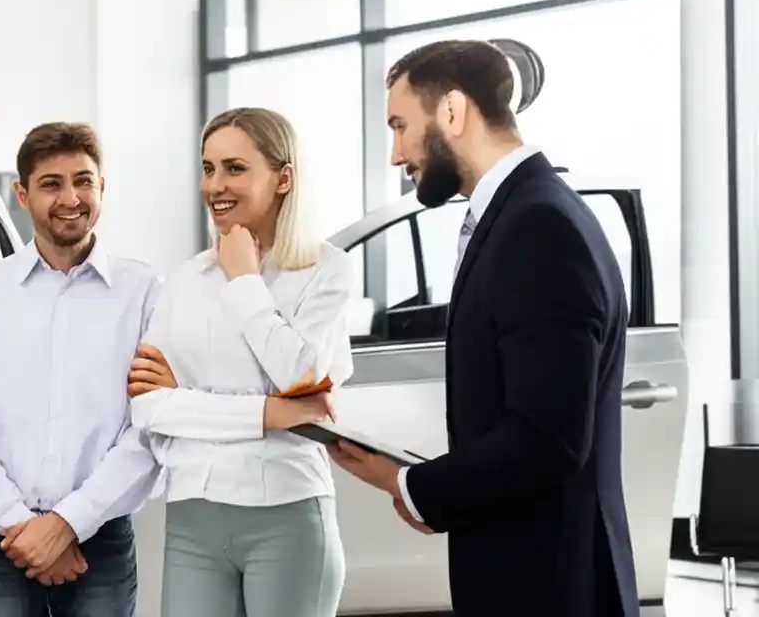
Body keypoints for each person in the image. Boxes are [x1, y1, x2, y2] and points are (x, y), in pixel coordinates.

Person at [328, 39, 638, 616]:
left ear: (452, 110)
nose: (395, 155)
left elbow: (548, 436)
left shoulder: (539, 225)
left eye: (400, 126)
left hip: (548, 586)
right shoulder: (523, 213)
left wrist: (412, 486)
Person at [0, 122, 162, 617]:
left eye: (83, 181)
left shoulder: (144, 292)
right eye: (51, 184)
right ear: (23, 194)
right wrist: (22, 525)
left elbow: (149, 427)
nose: (70, 198)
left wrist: (67, 523)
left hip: (101, 539)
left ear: (103, 186)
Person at [127, 107, 351, 617]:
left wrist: (245, 280)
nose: (215, 186)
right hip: (192, 518)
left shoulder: (326, 269)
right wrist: (270, 413)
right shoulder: (185, 279)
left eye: (235, 168)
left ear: (283, 178)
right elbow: (150, 407)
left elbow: (302, 376)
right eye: (208, 169)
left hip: (288, 514)